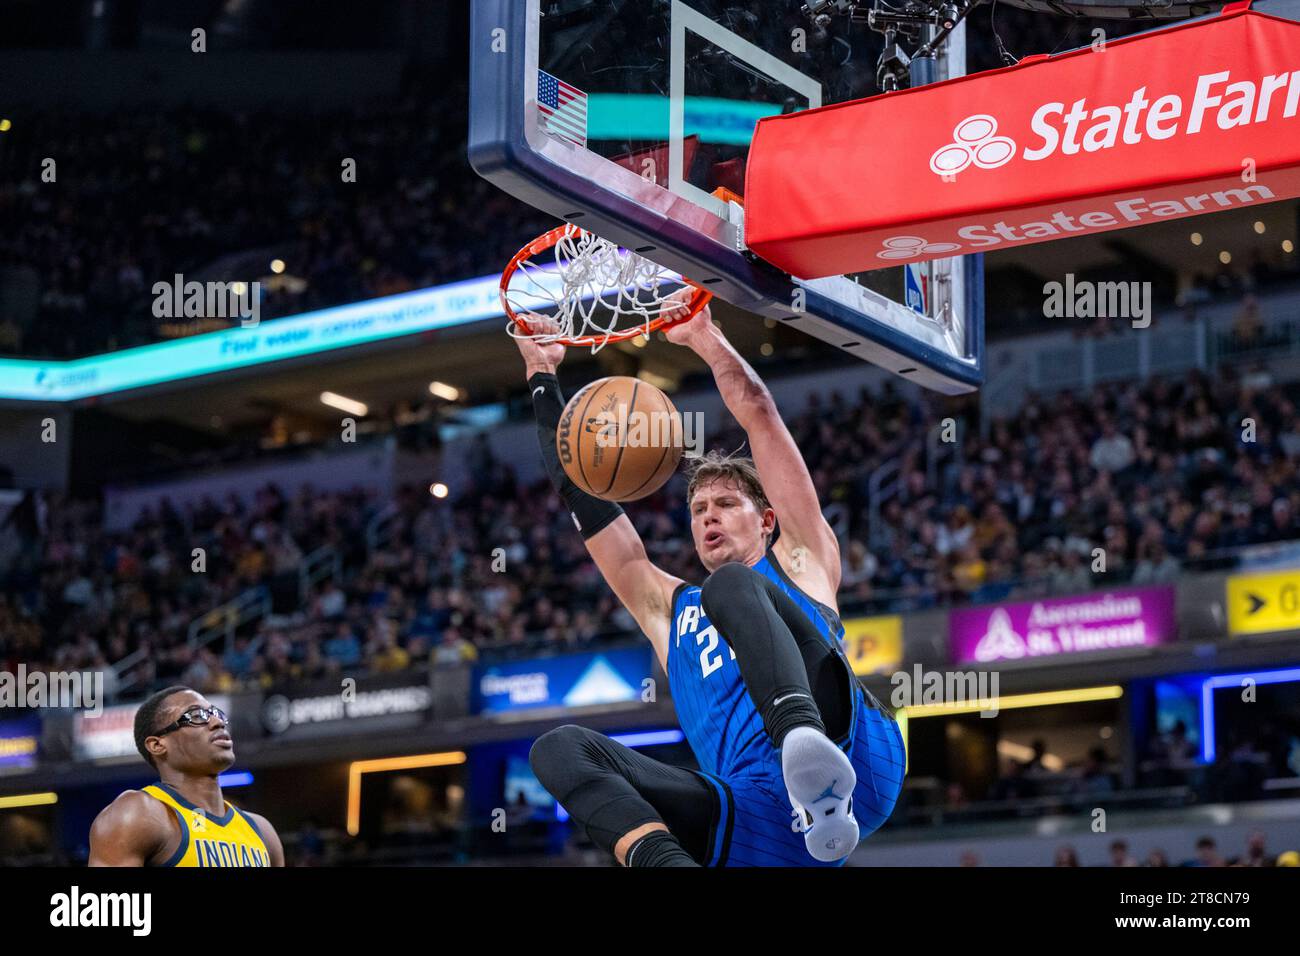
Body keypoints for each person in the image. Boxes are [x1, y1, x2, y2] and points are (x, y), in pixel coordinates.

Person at [518, 302, 904, 867]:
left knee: (730, 587)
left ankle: (802, 742)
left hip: (856, 762)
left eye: (726, 503)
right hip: (756, 818)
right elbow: (582, 495)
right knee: (559, 749)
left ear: (767, 520)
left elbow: (760, 415)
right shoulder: (667, 609)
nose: (708, 516)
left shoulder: (800, 556)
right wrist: (542, 375)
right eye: (698, 509)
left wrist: (704, 336)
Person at [88, 687, 283, 867]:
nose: (217, 722)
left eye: (217, 714)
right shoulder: (138, 814)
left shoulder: (262, 832)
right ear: (157, 745)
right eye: (197, 716)